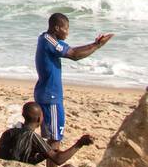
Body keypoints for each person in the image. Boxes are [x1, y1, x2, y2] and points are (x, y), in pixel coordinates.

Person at [34, 12, 114, 143]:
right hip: (50, 96)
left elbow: (72, 50)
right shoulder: (49, 41)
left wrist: (94, 44)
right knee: (54, 140)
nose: (67, 32)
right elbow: (74, 54)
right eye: (66, 28)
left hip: (48, 93)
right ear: (57, 28)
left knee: (52, 139)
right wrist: (98, 45)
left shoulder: (46, 38)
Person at [0, 102, 93, 167]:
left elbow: (13, 156)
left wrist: (43, 155)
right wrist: (80, 143)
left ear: (23, 115)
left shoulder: (8, 133)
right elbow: (58, 160)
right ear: (39, 119)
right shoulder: (33, 137)